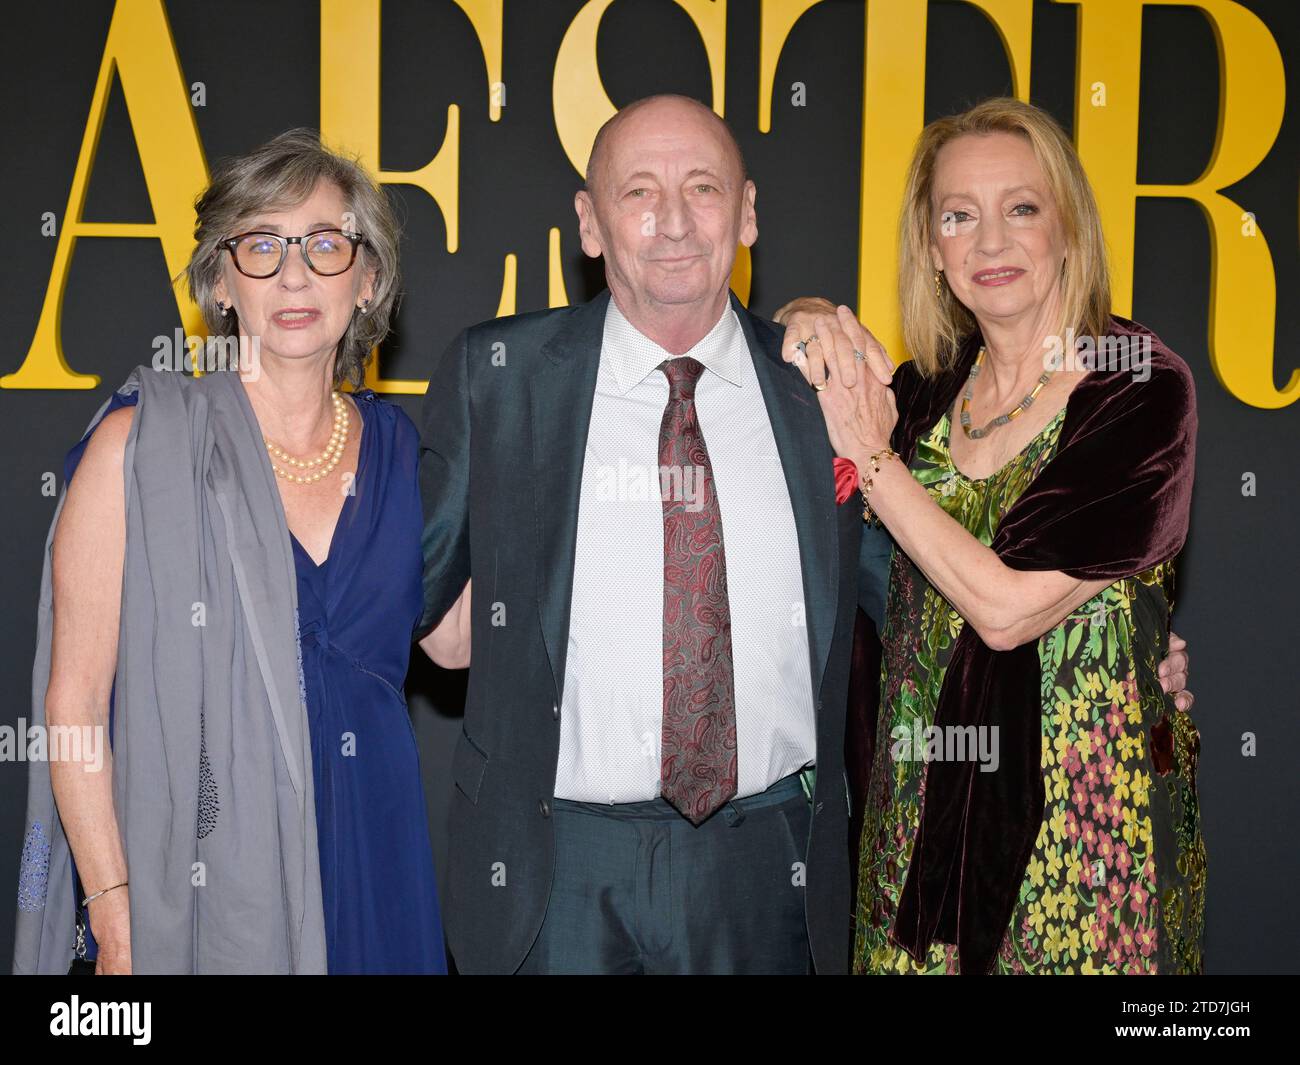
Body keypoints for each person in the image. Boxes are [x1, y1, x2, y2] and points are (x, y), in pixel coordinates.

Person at [417, 94, 875, 974]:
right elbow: (405, 597)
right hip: (556, 868)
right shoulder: (497, 378)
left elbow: (919, 603)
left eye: (703, 187)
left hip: (766, 863)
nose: (673, 221)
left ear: (747, 213)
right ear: (590, 225)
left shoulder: (823, 390)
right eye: (638, 193)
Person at [14, 129, 467, 974]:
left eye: (325, 244)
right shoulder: (139, 448)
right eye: (261, 246)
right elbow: (73, 706)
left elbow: (457, 641)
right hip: (201, 872)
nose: (294, 275)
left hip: (377, 854)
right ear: (220, 282)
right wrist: (114, 913)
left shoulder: (404, 452)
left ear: (368, 279)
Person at [779, 98, 1205, 974]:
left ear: (1069, 227)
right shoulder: (919, 396)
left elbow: (1006, 611)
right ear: (932, 249)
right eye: (959, 217)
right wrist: (806, 316)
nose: (991, 242)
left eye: (1022, 208)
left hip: (1087, 839)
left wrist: (873, 461)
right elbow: (780, 360)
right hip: (914, 836)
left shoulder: (1138, 387)